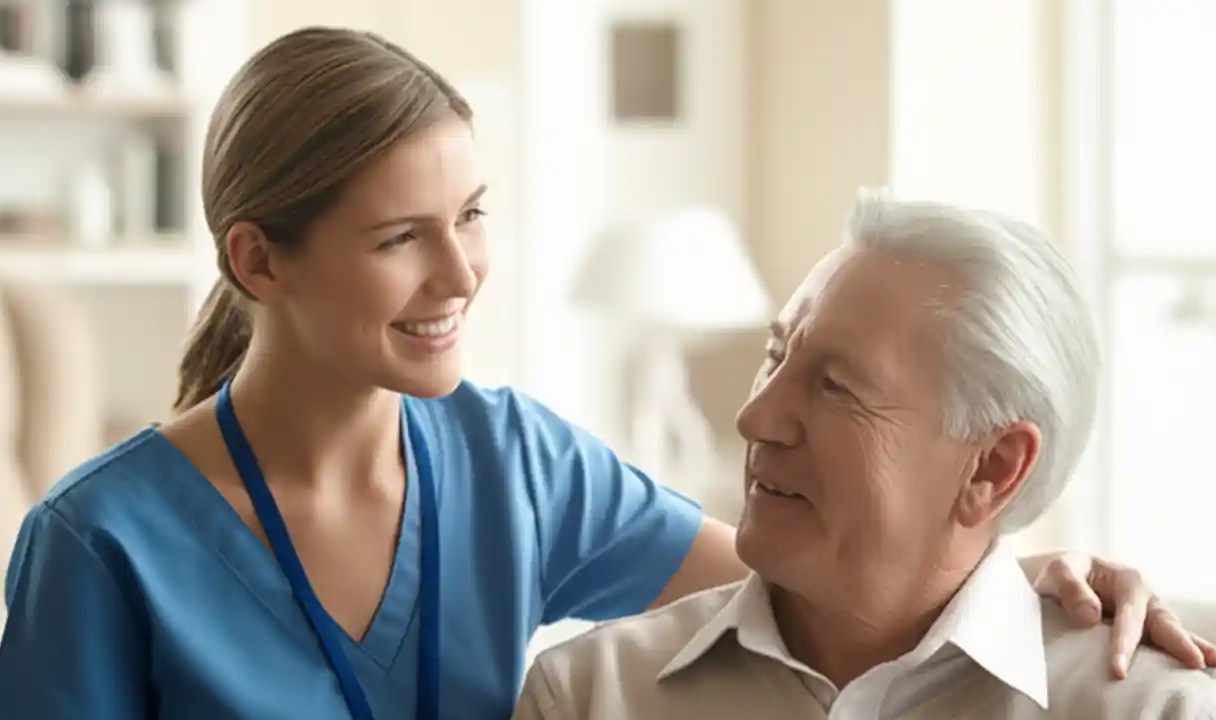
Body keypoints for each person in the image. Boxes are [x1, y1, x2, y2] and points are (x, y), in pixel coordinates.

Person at [0, 28, 1210, 720]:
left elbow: (827, 576)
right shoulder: (102, 544)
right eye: (400, 238)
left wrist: (1004, 570)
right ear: (259, 260)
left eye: (472, 215)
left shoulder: (511, 463)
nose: (461, 274)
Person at [512, 191, 1216, 719]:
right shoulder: (591, 695)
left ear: (993, 468)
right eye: (774, 357)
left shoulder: (1154, 711)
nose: (755, 418)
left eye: (835, 386)